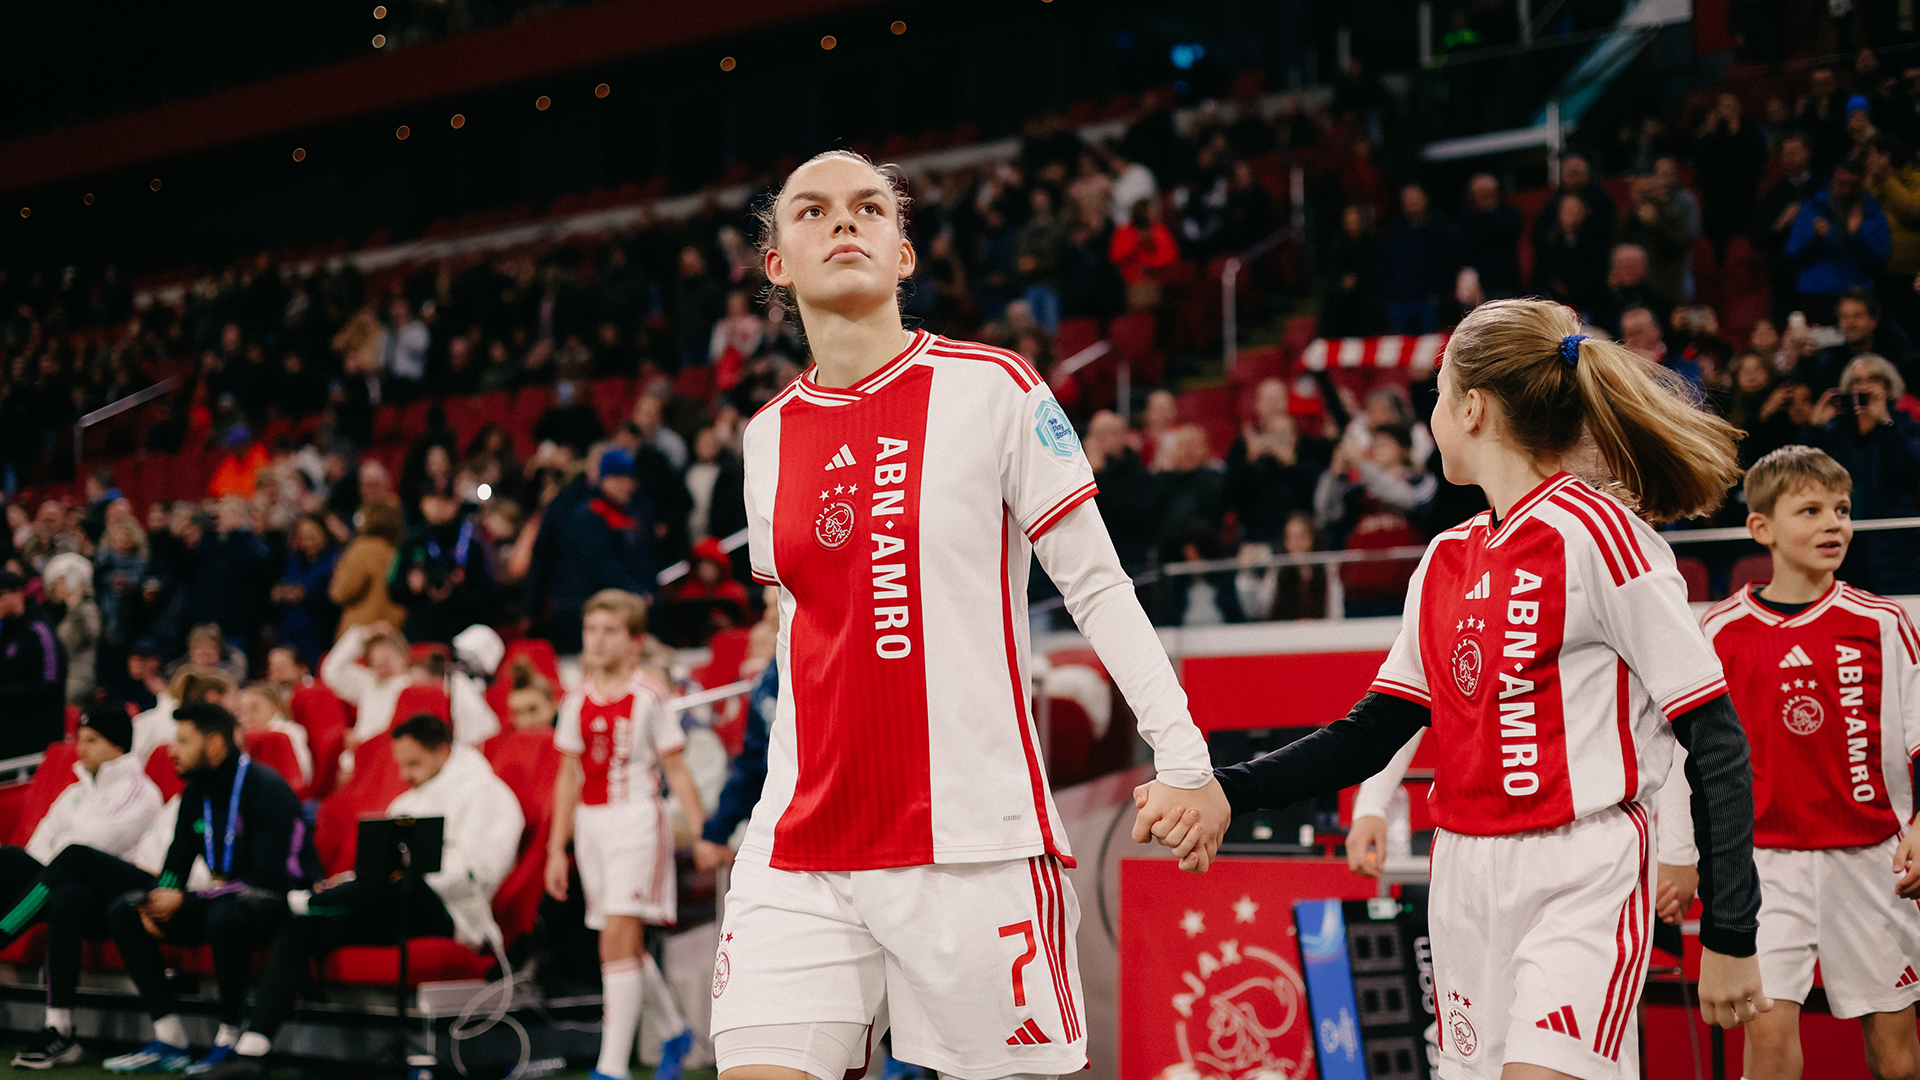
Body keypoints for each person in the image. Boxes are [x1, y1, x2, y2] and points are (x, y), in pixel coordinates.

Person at [1143, 299, 1767, 1077]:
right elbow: (1369, 732)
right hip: (1464, 878)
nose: (1432, 414)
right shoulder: (1445, 556)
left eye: (1436, 395)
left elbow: (1714, 737)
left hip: (1582, 873)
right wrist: (1223, 792)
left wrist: (1732, 934)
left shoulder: (1601, 536)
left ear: (1471, 408)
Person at [716, 149, 1225, 1080]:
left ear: (903, 254)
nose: (844, 223)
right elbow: (799, 635)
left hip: (971, 850)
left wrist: (1185, 756)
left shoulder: (994, 387)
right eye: (814, 211)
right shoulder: (765, 438)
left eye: (870, 208)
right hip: (801, 854)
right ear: (776, 265)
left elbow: (1098, 584)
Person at [1700, 447, 1920, 1080]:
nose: (1834, 524)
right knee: (1767, 1051)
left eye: (1843, 510)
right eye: (1812, 510)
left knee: (1898, 1060)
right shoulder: (1719, 631)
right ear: (1761, 528)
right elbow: (1696, 757)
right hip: (1764, 868)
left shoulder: (1883, 621)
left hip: (1872, 862)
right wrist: (1683, 858)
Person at [191, 713, 523, 1080]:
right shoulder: (406, 801)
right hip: (391, 904)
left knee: (397, 874)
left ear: (443, 751)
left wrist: (404, 876)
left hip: (453, 913)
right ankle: (252, 1052)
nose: (406, 774)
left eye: (414, 764)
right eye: (401, 765)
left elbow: (481, 873)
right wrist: (350, 882)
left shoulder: (488, 795)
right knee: (304, 927)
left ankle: (290, 900)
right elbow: (375, 874)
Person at [102, 703, 321, 1075]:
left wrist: (185, 899)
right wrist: (158, 901)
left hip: (276, 905)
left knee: (224, 916)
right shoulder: (194, 795)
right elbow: (176, 865)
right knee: (126, 909)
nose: (172, 750)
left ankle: (229, 1035)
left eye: (184, 741)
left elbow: (266, 881)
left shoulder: (267, 789)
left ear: (216, 744)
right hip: (222, 898)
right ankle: (169, 1035)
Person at [545, 590, 702, 1080]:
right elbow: (567, 775)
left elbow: (675, 767)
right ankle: (674, 1030)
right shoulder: (574, 698)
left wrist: (703, 831)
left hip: (636, 818)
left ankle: (611, 1068)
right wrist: (557, 847)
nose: (596, 639)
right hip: (591, 826)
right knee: (622, 943)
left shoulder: (651, 693)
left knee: (616, 937)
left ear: (635, 641)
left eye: (610, 630)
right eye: (591, 629)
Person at [0, 708, 164, 1068]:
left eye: (92, 740)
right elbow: (39, 847)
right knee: (12, 860)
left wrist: (59, 858)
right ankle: (59, 1030)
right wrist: (55, 864)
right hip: (64, 892)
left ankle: (4, 933)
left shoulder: (141, 791)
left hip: (112, 903)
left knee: (70, 876)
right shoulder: (73, 794)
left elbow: (94, 846)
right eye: (79, 739)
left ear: (117, 744)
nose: (80, 748)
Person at [1803, 355, 1920, 595]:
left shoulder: (1905, 425)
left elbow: (1907, 472)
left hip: (1893, 545)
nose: (1864, 386)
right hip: (1841, 541)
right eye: (1856, 381)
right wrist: (1815, 428)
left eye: (1874, 380)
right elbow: (1804, 478)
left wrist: (1885, 422)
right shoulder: (1834, 430)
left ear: (1889, 387)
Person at [1787, 156, 1892, 322]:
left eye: (1854, 185)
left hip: (1857, 294)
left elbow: (1881, 259)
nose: (1847, 190)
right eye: (1842, 184)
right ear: (1834, 180)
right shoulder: (1813, 207)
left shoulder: (1872, 211)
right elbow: (1793, 253)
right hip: (1817, 293)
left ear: (1863, 182)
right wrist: (1814, 238)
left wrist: (1856, 237)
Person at [0, 569, 67, 759]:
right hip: (8, 735)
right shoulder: (7, 631)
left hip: (35, 738)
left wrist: (4, 694)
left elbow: (50, 685)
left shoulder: (39, 630)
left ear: (18, 592)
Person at [328, 500, 407, 639]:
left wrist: (339, 571)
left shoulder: (362, 549)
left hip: (360, 630)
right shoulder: (396, 550)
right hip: (391, 629)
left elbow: (342, 592)